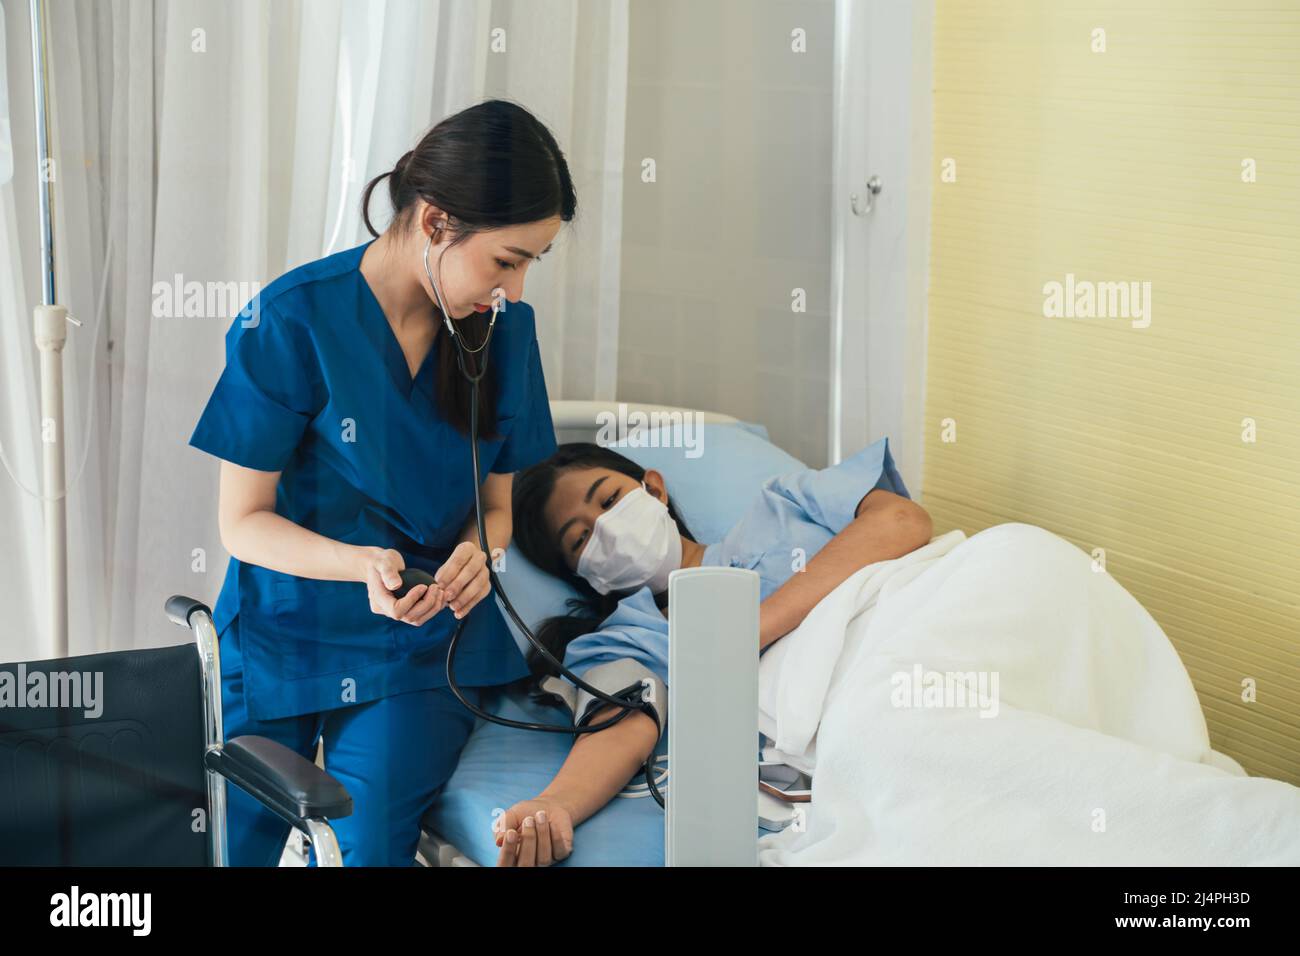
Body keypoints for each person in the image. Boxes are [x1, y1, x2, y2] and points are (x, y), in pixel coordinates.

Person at [188, 99, 573, 866]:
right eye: (506, 260)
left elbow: (495, 505)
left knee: (359, 848)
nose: (518, 290)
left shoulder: (503, 333)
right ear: (434, 224)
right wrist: (358, 563)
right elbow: (244, 521)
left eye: (533, 262)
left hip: (419, 645)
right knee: (233, 849)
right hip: (282, 634)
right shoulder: (292, 321)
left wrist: (479, 555)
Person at [494, 437, 933, 865]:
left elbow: (902, 521)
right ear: (586, 575)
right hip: (875, 701)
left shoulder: (784, 502)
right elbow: (622, 719)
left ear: (654, 488)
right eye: (580, 539)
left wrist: (751, 629)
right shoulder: (630, 635)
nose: (607, 528)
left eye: (608, 500)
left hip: (932, 608)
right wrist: (556, 804)